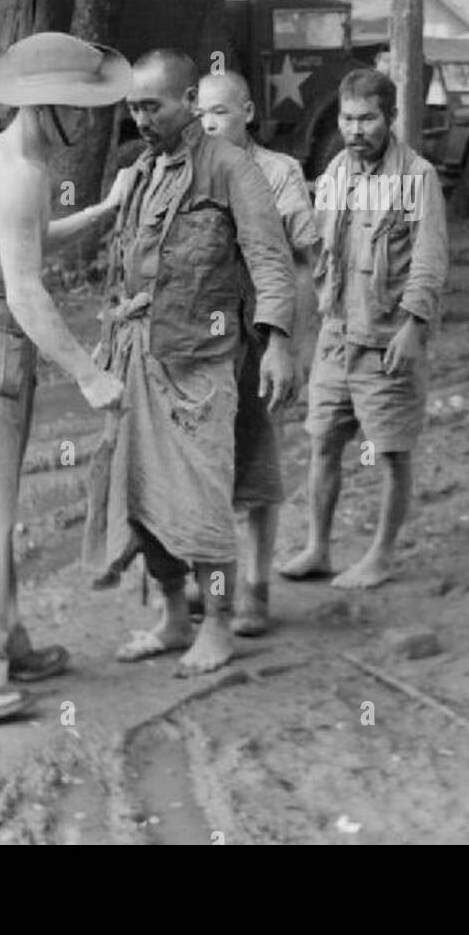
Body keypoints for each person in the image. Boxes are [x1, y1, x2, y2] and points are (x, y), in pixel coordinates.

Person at [0, 32, 129, 723]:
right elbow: (26, 291)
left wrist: (97, 215)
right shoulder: (19, 174)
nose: (91, 115)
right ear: (47, 105)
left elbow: (25, 241)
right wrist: (89, 373)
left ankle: (1, 642)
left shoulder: (5, 156)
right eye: (81, 103)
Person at [83, 50, 297, 675]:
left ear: (187, 102)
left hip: (203, 363)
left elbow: (269, 258)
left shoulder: (232, 168)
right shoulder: (142, 169)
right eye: (132, 107)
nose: (140, 117)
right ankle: (175, 616)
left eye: (151, 105)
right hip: (136, 354)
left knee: (203, 506)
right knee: (141, 496)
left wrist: (279, 340)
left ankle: (220, 626)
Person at [280, 68, 448, 589]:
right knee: (323, 443)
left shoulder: (417, 178)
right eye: (348, 119)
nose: (356, 130)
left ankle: (381, 554)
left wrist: (413, 327)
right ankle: (318, 547)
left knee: (392, 452)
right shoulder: (334, 172)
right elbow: (320, 256)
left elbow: (429, 257)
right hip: (336, 336)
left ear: (390, 118)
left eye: (367, 119)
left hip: (387, 340)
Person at [195, 69, 319, 636]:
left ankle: (257, 588)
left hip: (257, 343)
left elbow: (305, 258)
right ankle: (210, 589)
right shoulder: (190, 172)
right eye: (201, 113)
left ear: (247, 111)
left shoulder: (277, 172)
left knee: (258, 471)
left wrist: (284, 345)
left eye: (220, 110)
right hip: (201, 345)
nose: (209, 122)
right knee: (202, 473)